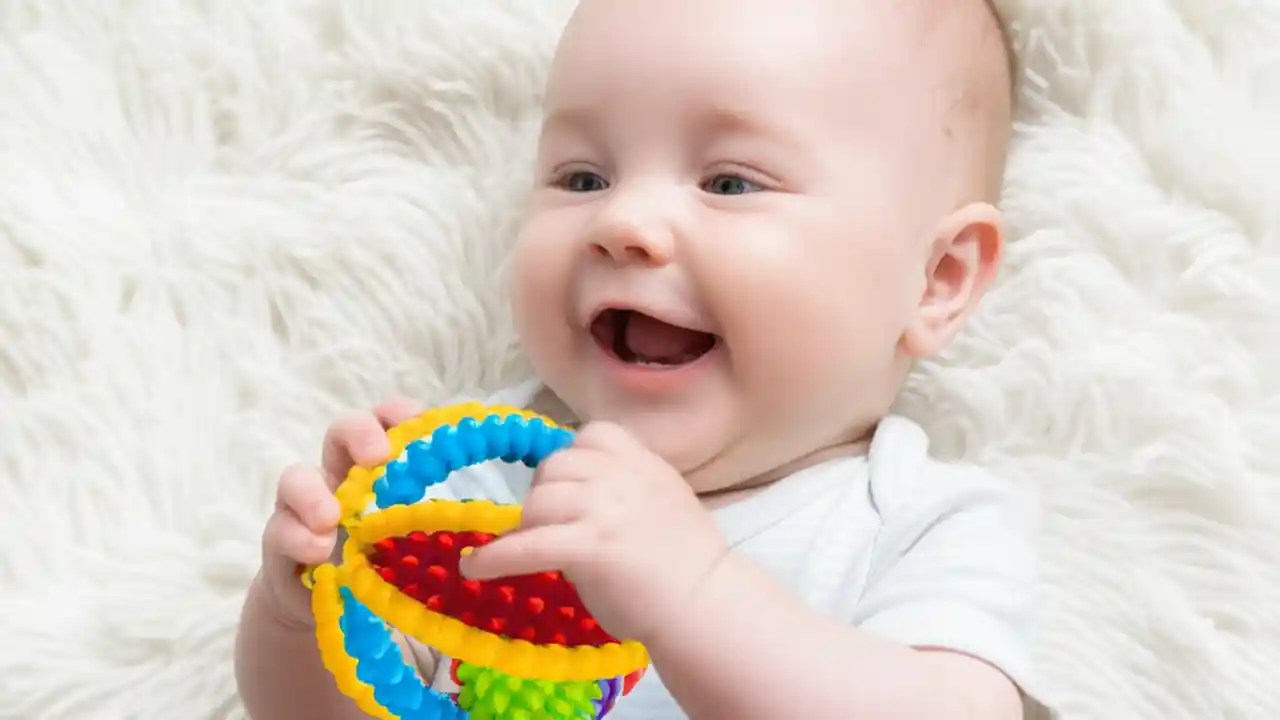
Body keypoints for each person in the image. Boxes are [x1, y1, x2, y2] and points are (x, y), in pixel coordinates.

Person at [236, 0, 1046, 717]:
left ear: (936, 280)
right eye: (582, 176)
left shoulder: (920, 525)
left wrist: (692, 592)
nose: (623, 220)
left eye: (730, 183)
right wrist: (299, 612)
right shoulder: (486, 490)